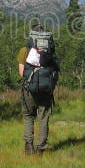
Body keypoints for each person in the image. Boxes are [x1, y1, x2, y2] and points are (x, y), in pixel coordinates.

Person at [17, 24, 60, 155]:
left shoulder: (25, 50)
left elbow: (21, 73)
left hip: (29, 89)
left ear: (31, 36)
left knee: (28, 115)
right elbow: (55, 71)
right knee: (43, 117)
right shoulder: (50, 52)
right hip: (46, 90)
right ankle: (40, 149)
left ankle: (29, 146)